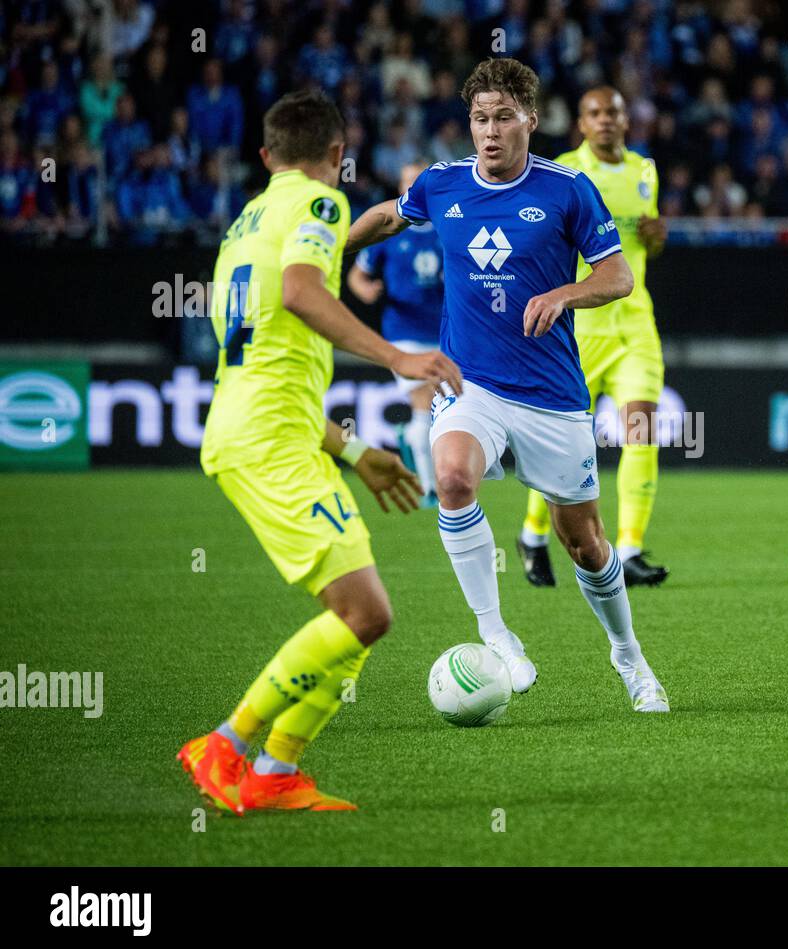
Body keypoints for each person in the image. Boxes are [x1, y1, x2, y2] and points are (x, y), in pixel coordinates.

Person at [346, 58, 669, 713]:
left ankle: (629, 658)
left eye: (502, 118)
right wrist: (333, 254)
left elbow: (618, 277)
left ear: (531, 119)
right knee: (456, 480)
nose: (488, 132)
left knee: (583, 541)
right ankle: (496, 634)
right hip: (472, 382)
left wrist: (566, 293)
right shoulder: (442, 184)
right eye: (478, 119)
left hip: (551, 394)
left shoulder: (568, 189)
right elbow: (388, 216)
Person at [179, 90, 462, 813]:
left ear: (266, 155)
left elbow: (269, 352)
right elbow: (305, 293)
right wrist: (395, 355)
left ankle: (276, 773)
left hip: (263, 427)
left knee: (358, 613)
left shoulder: (243, 225)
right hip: (271, 438)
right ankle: (229, 745)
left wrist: (356, 449)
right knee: (367, 613)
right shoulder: (320, 203)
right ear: (338, 156)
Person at [517, 86, 669, 589]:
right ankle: (534, 534)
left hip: (635, 322)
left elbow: (645, 246)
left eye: (614, 113)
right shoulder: (564, 171)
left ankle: (628, 548)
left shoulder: (645, 170)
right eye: (596, 114)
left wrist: (657, 238)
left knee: (641, 431)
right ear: (581, 123)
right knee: (563, 445)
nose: (606, 121)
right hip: (580, 327)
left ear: (627, 121)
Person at [348, 162, 447, 504]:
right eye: (407, 182)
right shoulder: (387, 231)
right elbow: (356, 277)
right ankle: (429, 488)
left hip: (441, 330)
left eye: (419, 183)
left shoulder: (445, 229)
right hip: (402, 332)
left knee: (442, 408)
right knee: (424, 401)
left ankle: (416, 447)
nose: (412, 189)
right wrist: (367, 291)